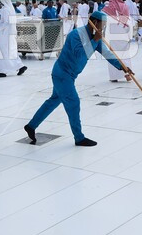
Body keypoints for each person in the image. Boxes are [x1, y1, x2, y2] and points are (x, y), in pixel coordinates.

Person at [24, 11, 133, 147]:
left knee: (53, 101)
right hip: (62, 74)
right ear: (94, 22)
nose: (103, 28)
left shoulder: (95, 37)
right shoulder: (76, 35)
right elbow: (80, 55)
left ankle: (31, 126)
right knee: (74, 103)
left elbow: (107, 53)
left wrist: (123, 67)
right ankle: (79, 138)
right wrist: (95, 40)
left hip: (68, 75)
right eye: (102, 25)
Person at [0, 0, 28, 78]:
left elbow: (6, 22)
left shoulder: (5, 10)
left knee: (4, 52)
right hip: (11, 34)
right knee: (11, 51)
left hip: (5, 34)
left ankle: (3, 71)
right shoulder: (10, 9)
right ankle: (20, 66)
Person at [103, 0, 133, 82]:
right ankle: (127, 74)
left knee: (113, 55)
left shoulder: (107, 9)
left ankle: (114, 76)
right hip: (123, 34)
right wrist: (130, 36)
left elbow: (104, 23)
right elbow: (129, 22)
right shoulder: (125, 7)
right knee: (125, 55)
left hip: (112, 36)